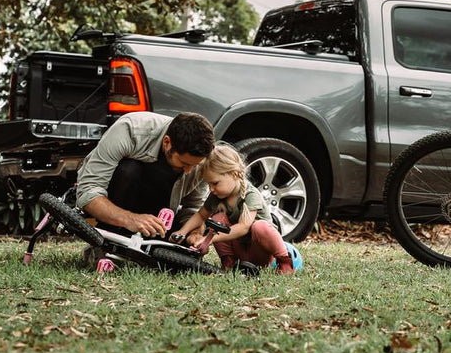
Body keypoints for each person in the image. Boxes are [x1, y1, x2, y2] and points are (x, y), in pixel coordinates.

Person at [75, 111, 216, 238]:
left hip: (160, 210)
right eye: (184, 163)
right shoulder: (129, 130)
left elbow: (193, 207)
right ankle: (108, 236)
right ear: (167, 142)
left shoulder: (204, 159)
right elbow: (89, 191)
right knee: (129, 169)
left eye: (195, 165)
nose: (189, 171)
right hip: (120, 195)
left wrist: (195, 232)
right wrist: (130, 219)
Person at [173, 143, 296, 274]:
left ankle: (284, 260)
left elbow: (243, 227)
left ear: (235, 174)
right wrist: (182, 232)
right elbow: (201, 215)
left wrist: (209, 239)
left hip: (260, 252)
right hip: (240, 252)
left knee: (259, 226)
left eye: (215, 183)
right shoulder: (216, 195)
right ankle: (228, 261)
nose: (211, 189)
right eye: (208, 184)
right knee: (218, 219)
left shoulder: (250, 195)